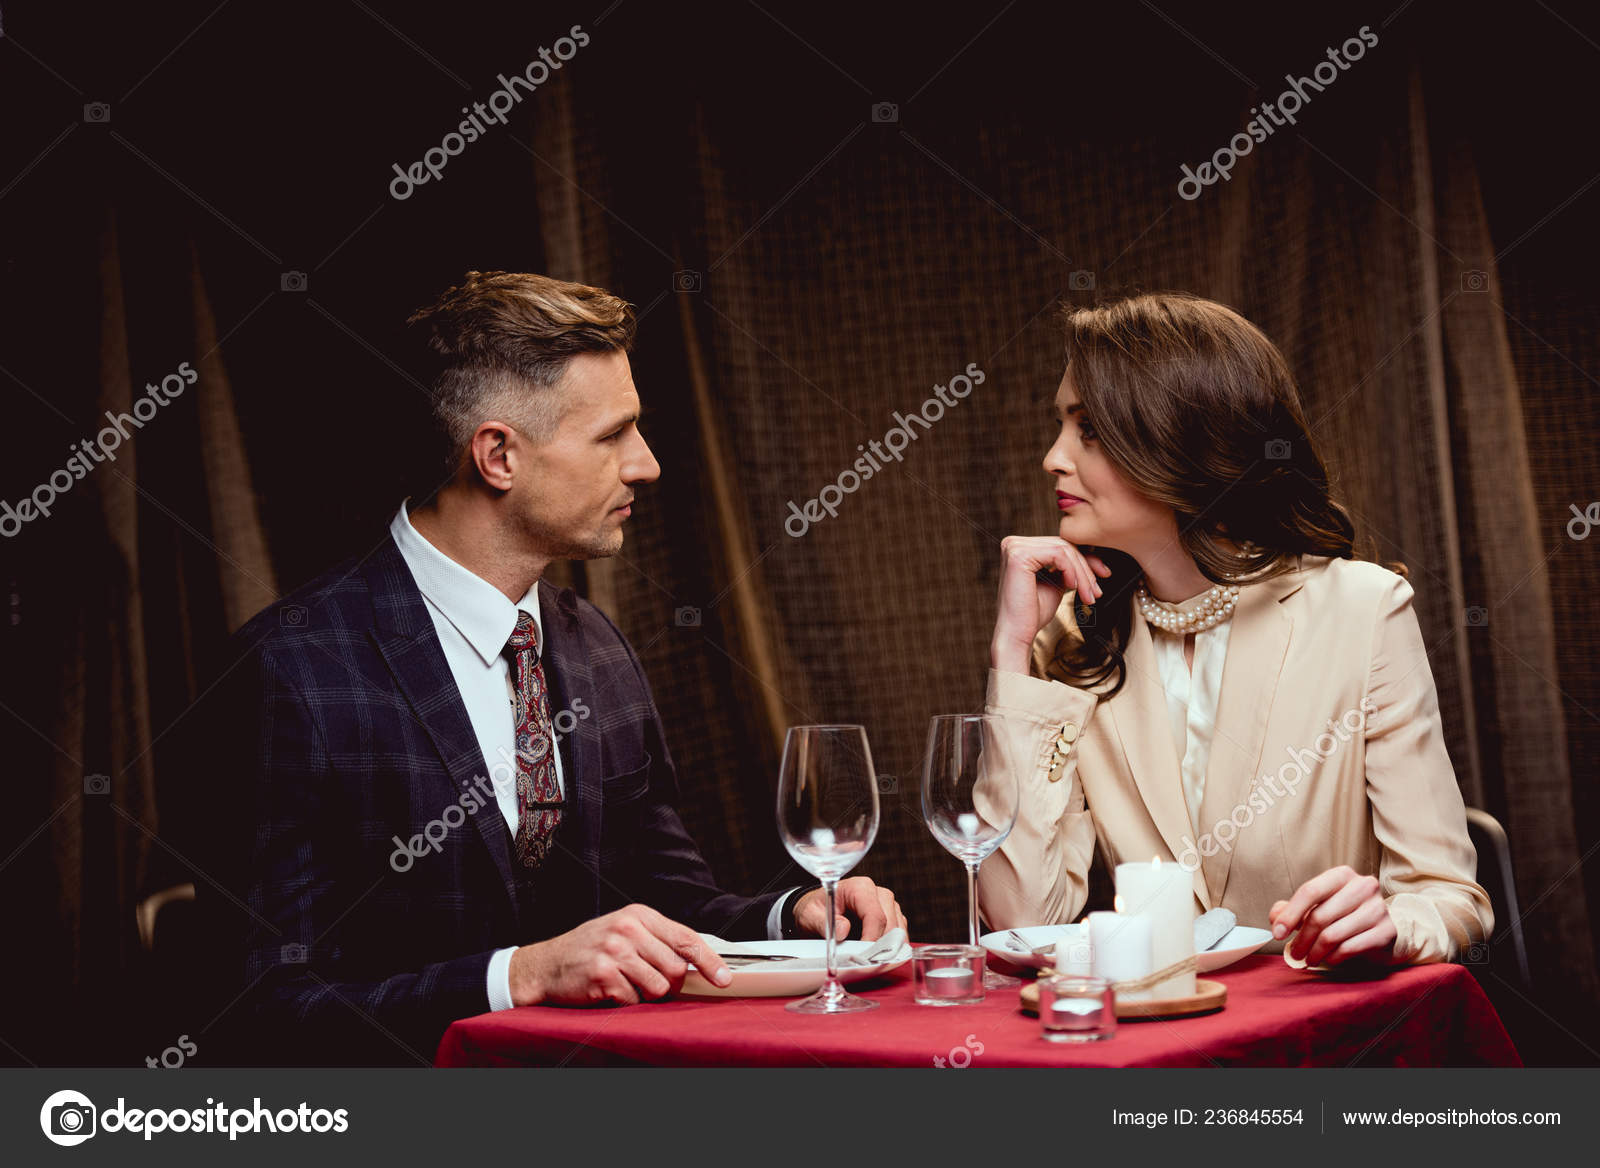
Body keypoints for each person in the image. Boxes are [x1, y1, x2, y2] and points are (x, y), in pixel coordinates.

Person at [197, 271, 904, 1064]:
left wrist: (795, 915)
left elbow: (670, 905)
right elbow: (255, 1009)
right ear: (497, 455)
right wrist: (519, 977)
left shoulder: (594, 644)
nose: (647, 465)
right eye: (613, 436)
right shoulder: (287, 670)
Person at [976, 292, 1490, 968]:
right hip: (1158, 1049)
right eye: (1062, 426)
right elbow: (1023, 923)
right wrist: (1011, 655)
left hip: (1323, 1045)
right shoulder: (1072, 639)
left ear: (1177, 438)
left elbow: (1448, 895)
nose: (1053, 458)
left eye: (1088, 429)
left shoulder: (1365, 611)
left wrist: (1387, 923)